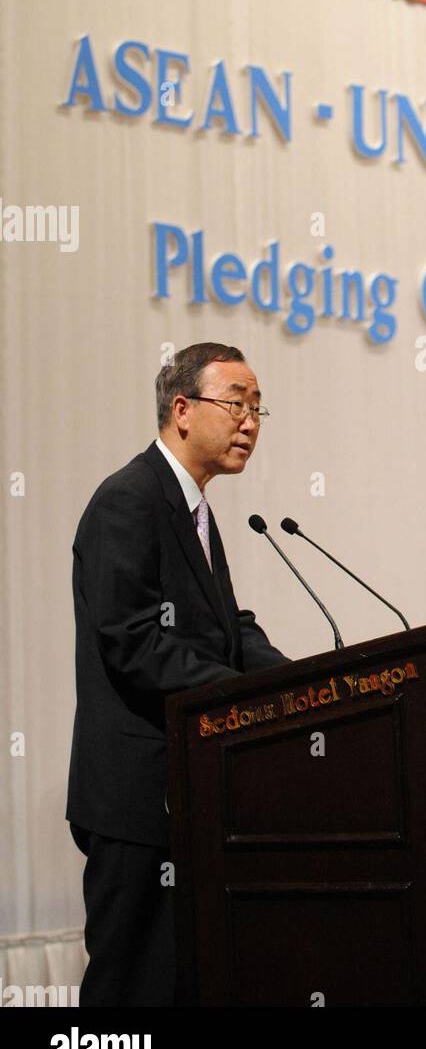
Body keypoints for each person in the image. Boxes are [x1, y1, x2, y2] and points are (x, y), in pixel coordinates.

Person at [66, 342, 290, 1006]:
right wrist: (242, 692)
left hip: (188, 795)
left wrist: (307, 686)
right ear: (182, 410)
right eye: (237, 404)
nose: (250, 421)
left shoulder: (192, 506)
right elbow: (133, 641)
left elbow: (228, 628)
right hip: (138, 801)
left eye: (258, 408)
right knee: (129, 990)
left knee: (180, 982)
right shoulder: (128, 500)